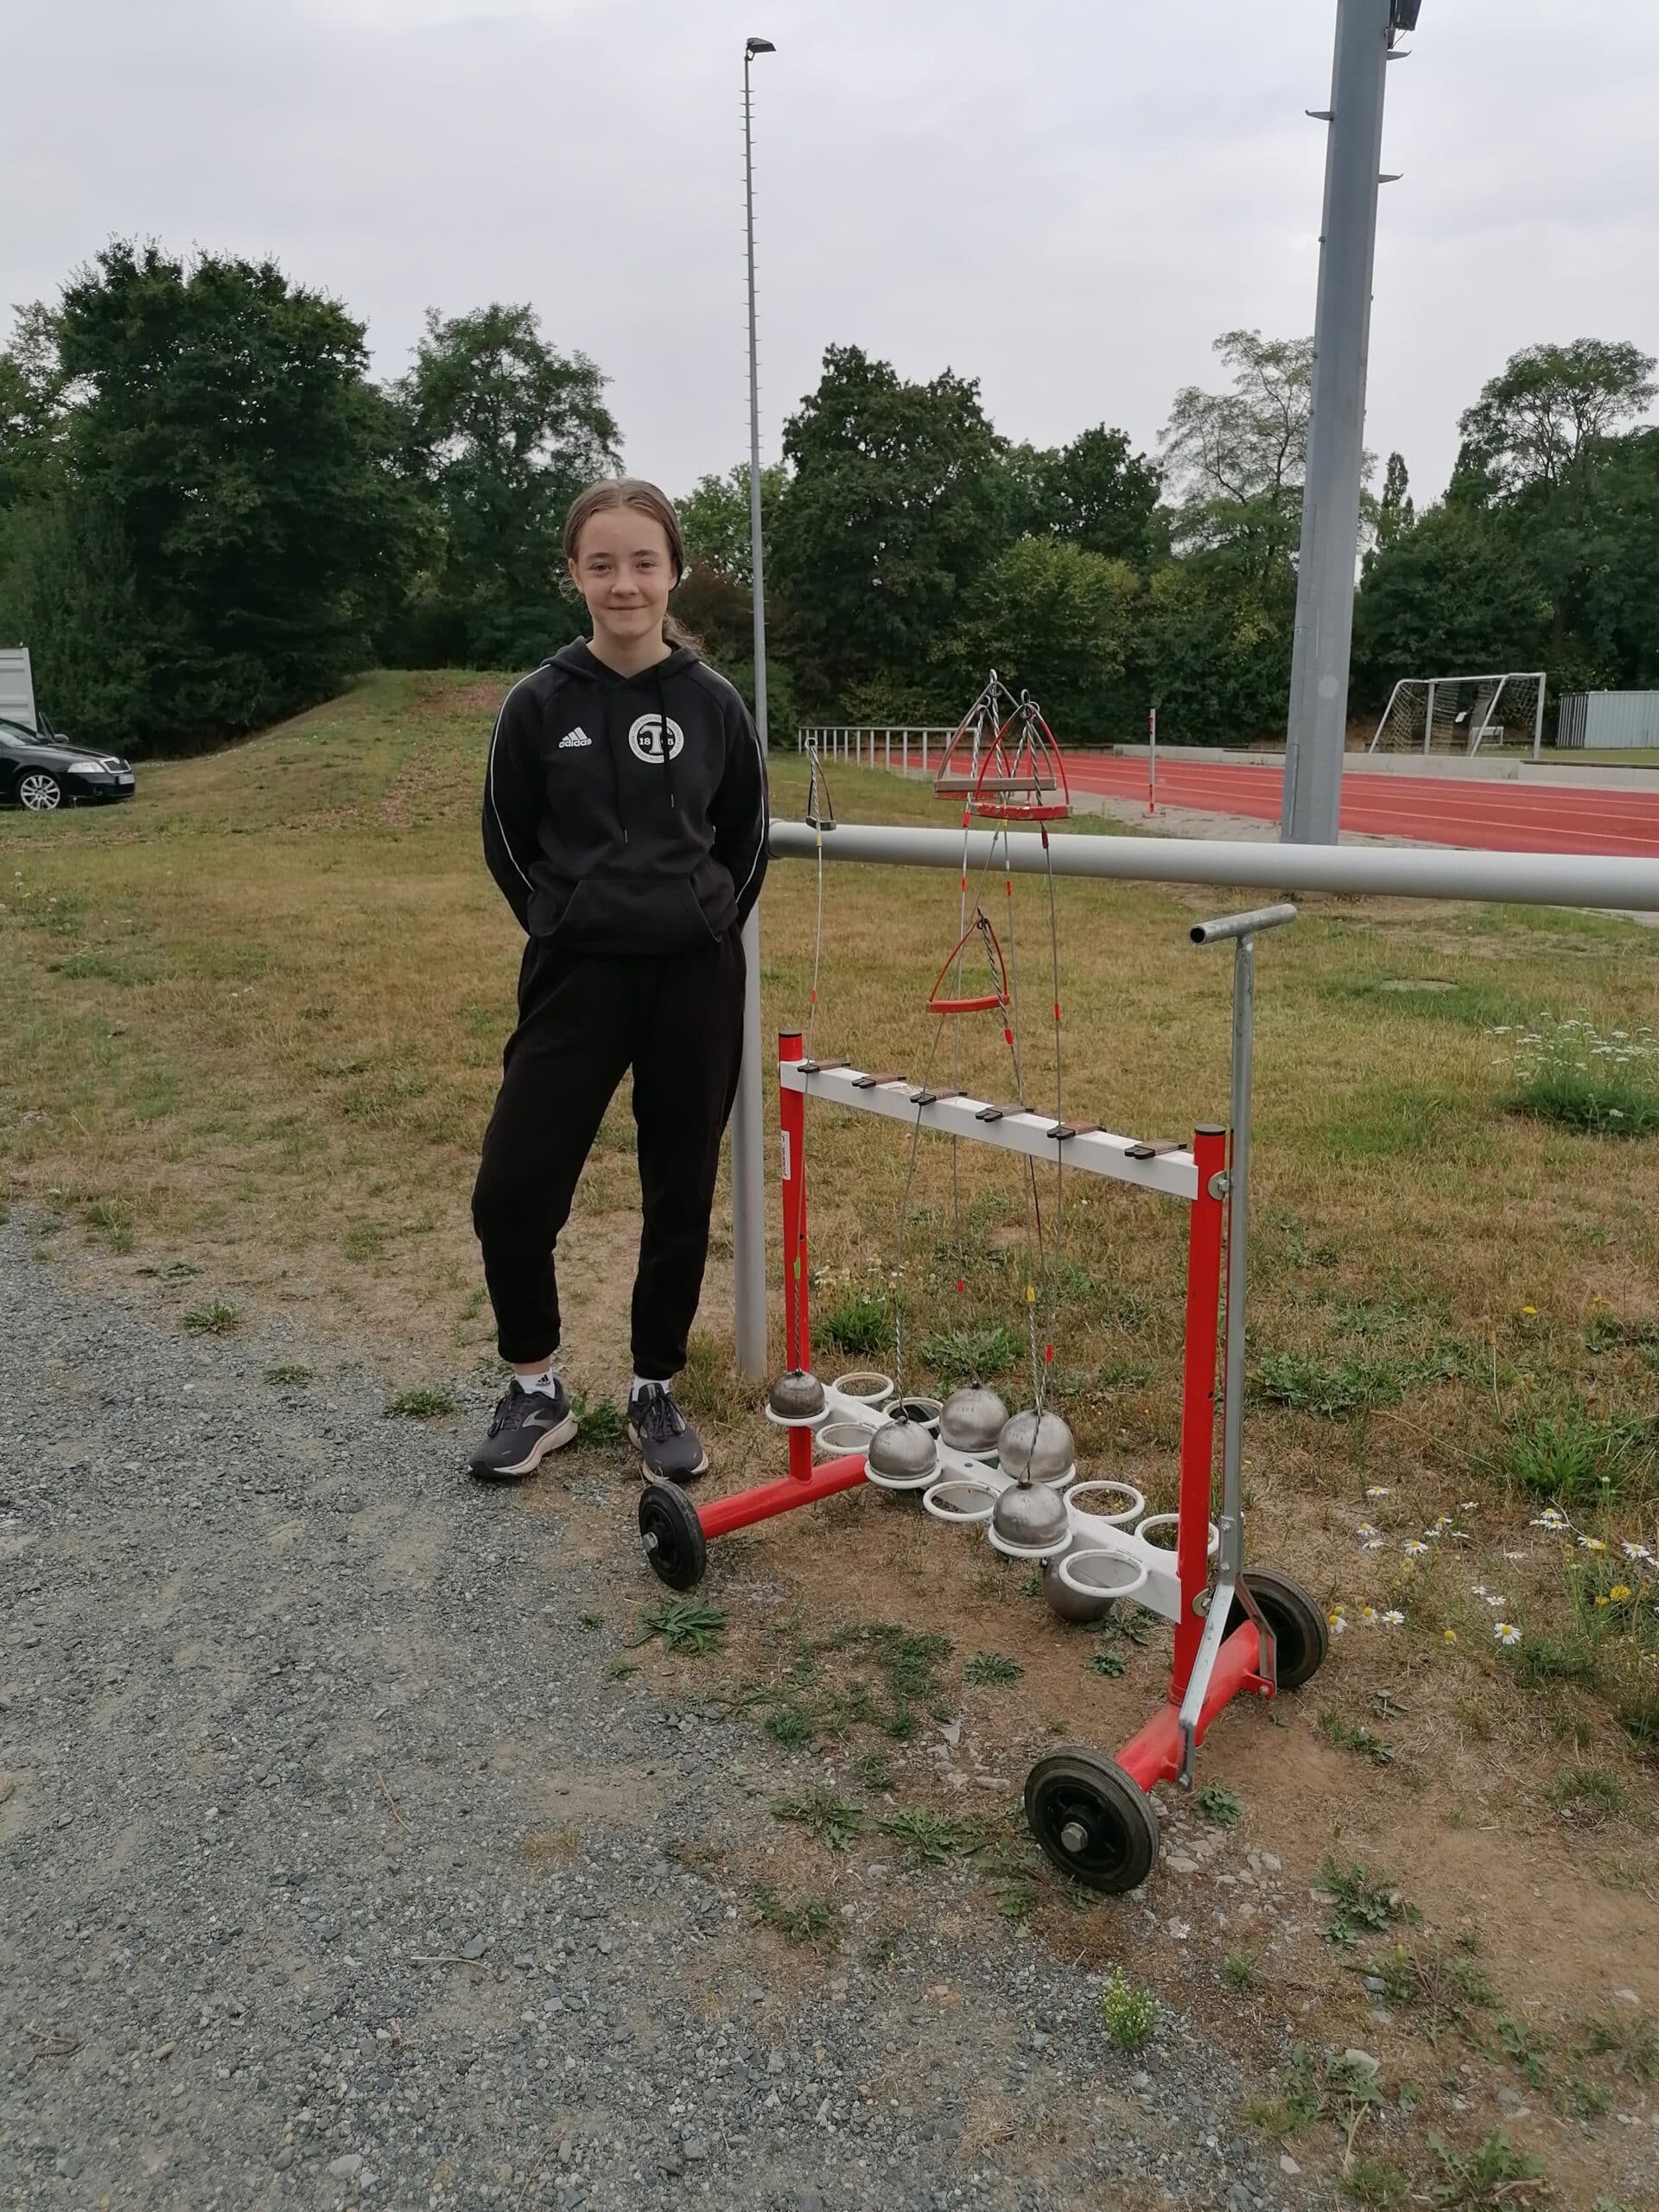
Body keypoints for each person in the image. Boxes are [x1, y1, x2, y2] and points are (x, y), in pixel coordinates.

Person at [468, 478, 768, 1484]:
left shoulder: (714, 702)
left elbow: (747, 839)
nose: (625, 583)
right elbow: (509, 840)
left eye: (644, 562)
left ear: (673, 570)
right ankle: (535, 1388)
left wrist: (703, 919)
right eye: (603, 564)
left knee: (677, 1188)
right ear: (575, 575)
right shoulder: (538, 702)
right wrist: (566, 921)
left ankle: (655, 1390)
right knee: (512, 1190)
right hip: (577, 977)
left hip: (693, 978)